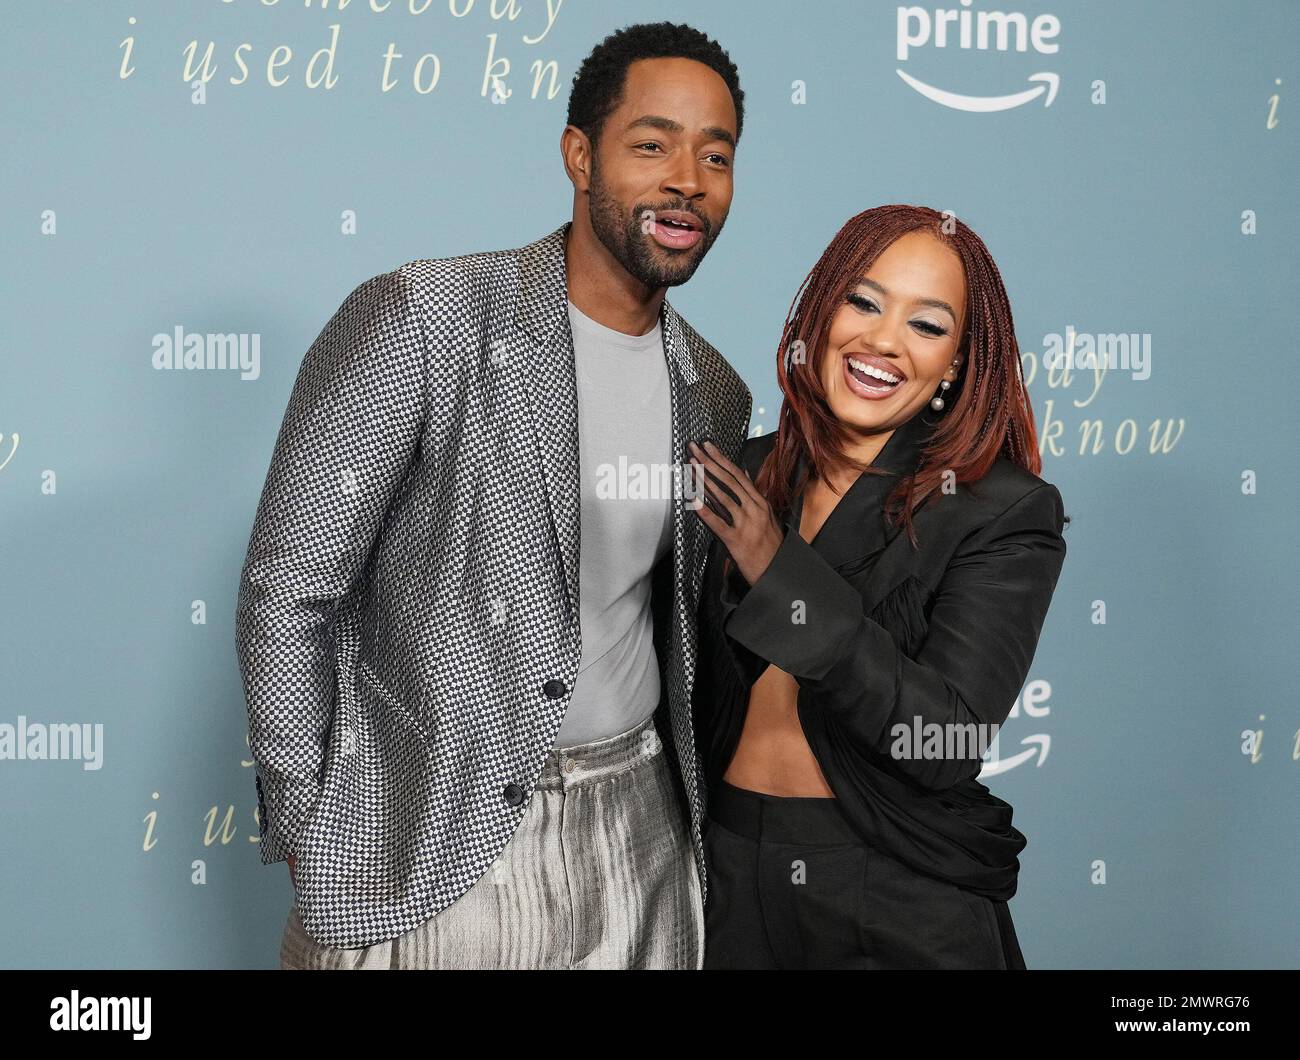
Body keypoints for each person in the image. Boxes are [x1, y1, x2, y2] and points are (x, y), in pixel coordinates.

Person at [234, 21, 751, 969]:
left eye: (714, 156)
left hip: (636, 827)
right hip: (428, 829)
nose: (687, 178)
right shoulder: (424, 316)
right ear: (579, 154)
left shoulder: (712, 387)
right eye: (653, 144)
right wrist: (322, 827)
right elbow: (289, 588)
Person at [688, 204, 1069, 969]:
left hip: (890, 890)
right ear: (821, 314)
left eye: (927, 326)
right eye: (862, 302)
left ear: (956, 364)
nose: (882, 340)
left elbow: (946, 741)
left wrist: (781, 573)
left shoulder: (1001, 509)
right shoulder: (738, 468)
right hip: (721, 877)